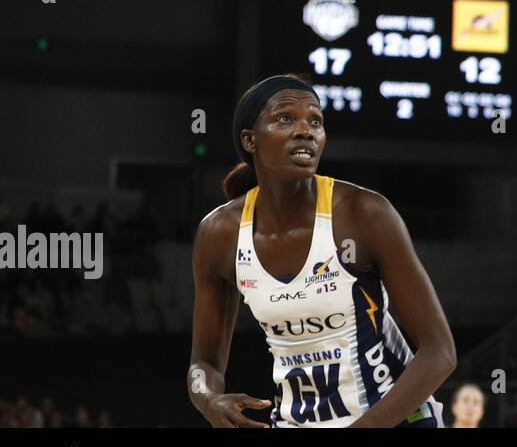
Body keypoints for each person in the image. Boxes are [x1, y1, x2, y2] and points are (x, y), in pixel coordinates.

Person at [188, 75, 455, 427]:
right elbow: (203, 363)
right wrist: (208, 400)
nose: (305, 130)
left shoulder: (364, 213)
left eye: (315, 121)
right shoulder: (219, 234)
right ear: (250, 140)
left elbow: (440, 353)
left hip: (394, 419)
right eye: (285, 118)